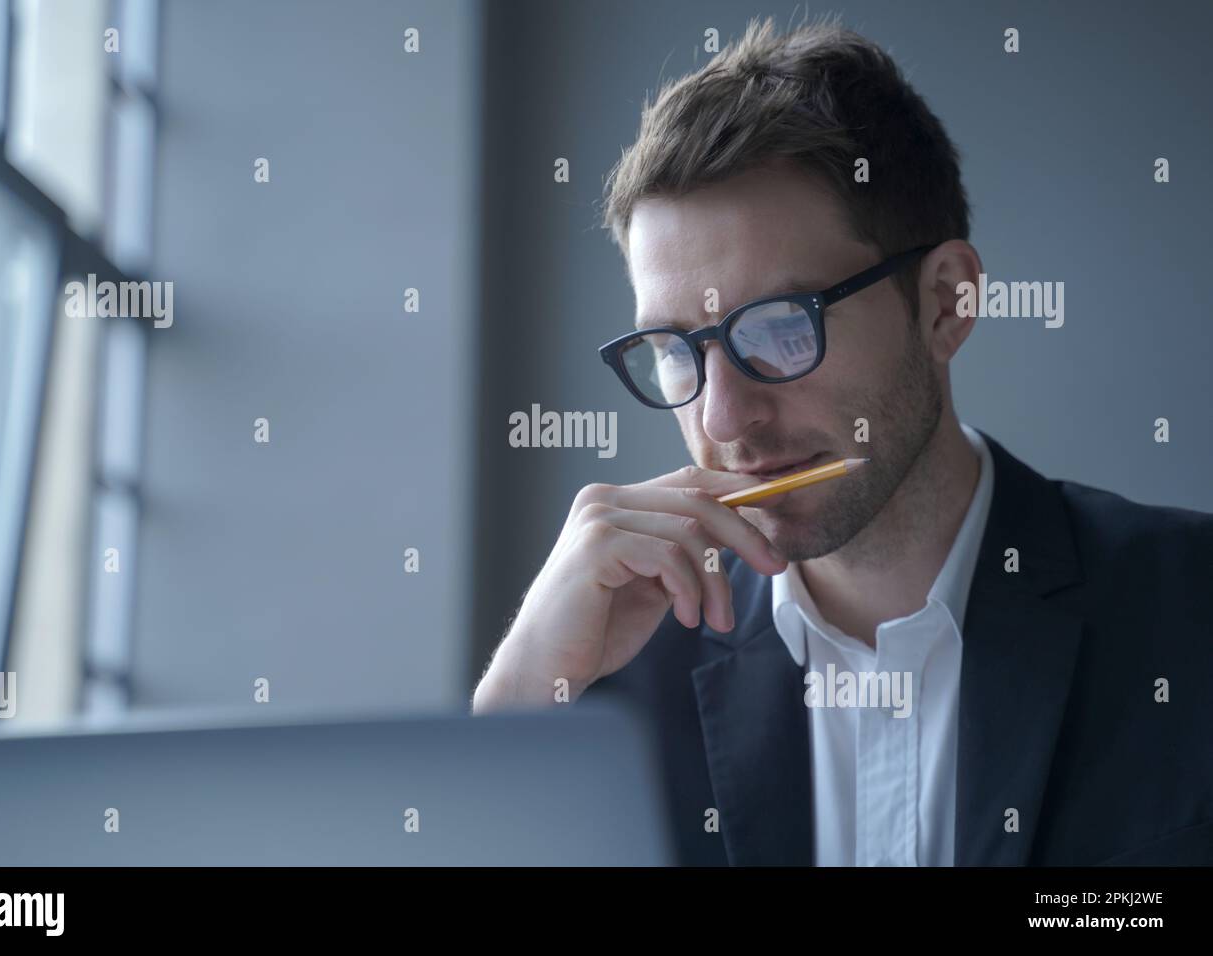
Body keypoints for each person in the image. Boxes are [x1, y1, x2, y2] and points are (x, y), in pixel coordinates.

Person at [471, 15, 1213, 866]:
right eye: (678, 350)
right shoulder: (599, 687)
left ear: (945, 304)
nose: (722, 420)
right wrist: (516, 705)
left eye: (783, 328)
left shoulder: (1187, 611)